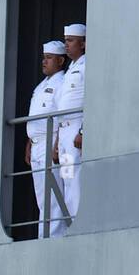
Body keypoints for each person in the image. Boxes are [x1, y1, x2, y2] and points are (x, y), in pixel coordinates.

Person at [25, 42, 67, 237]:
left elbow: (62, 116)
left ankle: (53, 236)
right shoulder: (41, 85)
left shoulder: (62, 82)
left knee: (54, 192)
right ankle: (45, 235)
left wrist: (57, 144)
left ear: (60, 60)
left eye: (49, 58)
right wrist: (29, 142)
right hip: (36, 144)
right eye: (44, 57)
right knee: (42, 196)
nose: (44, 61)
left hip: (52, 142)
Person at [52, 23, 86, 229]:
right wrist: (56, 141)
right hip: (64, 134)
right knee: (67, 179)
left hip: (76, 128)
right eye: (65, 40)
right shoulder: (70, 70)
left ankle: (78, 224)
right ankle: (70, 225)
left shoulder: (86, 66)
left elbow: (91, 100)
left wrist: (83, 130)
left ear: (82, 44)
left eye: (71, 40)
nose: (66, 44)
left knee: (76, 181)